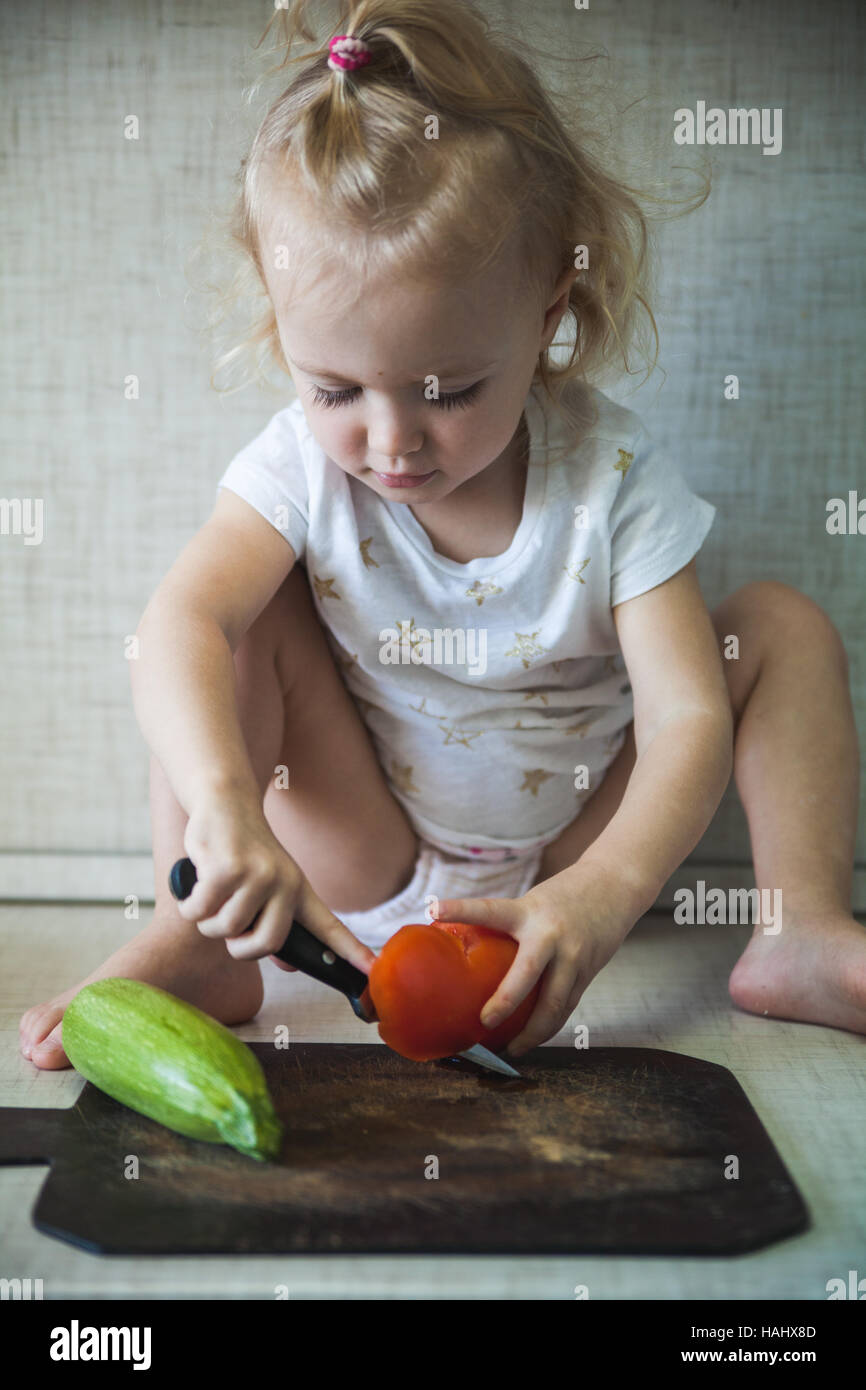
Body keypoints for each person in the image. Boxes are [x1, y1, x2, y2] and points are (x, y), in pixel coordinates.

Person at [20, 0, 863, 1070]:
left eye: (447, 390)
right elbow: (176, 624)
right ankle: (204, 942)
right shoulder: (297, 469)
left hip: (568, 854)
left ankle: (797, 930)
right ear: (284, 335)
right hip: (356, 856)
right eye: (332, 388)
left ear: (549, 309)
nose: (388, 443)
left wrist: (600, 893)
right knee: (227, 613)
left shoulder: (610, 480)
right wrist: (228, 809)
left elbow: (688, 713)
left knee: (775, 627)